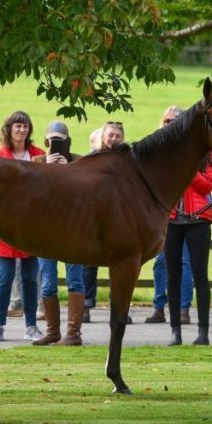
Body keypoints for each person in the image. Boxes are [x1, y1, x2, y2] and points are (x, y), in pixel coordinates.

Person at [0, 111, 44, 342]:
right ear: (9, 129)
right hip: (5, 225)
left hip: (32, 226)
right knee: (4, 278)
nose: (22, 130)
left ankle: (31, 325)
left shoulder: (38, 155)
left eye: (25, 126)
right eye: (18, 126)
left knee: (30, 278)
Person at [33, 120, 87, 346]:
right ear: (46, 141)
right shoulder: (36, 163)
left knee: (75, 280)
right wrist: (48, 168)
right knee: (47, 282)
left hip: (73, 230)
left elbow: (85, 196)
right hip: (46, 231)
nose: (56, 144)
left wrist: (68, 170)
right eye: (52, 140)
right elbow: (32, 197)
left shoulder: (79, 162)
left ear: (68, 141)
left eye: (60, 140)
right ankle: (52, 330)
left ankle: (73, 333)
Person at [146, 107, 194, 324]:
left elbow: (205, 183)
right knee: (160, 264)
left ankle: (183, 309)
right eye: (166, 121)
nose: (169, 125)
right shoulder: (156, 149)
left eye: (173, 121)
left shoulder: (193, 151)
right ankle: (159, 307)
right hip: (167, 214)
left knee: (184, 264)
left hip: (190, 214)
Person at [166, 151, 212, 346]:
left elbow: (207, 185)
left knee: (200, 276)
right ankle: (175, 331)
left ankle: (203, 331)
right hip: (172, 219)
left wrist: (187, 167)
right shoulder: (171, 152)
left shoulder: (210, 155)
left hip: (198, 219)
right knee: (173, 276)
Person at [81, 120, 128, 322]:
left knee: (119, 265)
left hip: (118, 219)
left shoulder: (126, 162)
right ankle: (85, 305)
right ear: (103, 136)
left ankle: (117, 308)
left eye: (117, 136)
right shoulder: (92, 159)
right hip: (94, 218)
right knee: (88, 264)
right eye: (111, 135)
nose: (114, 139)